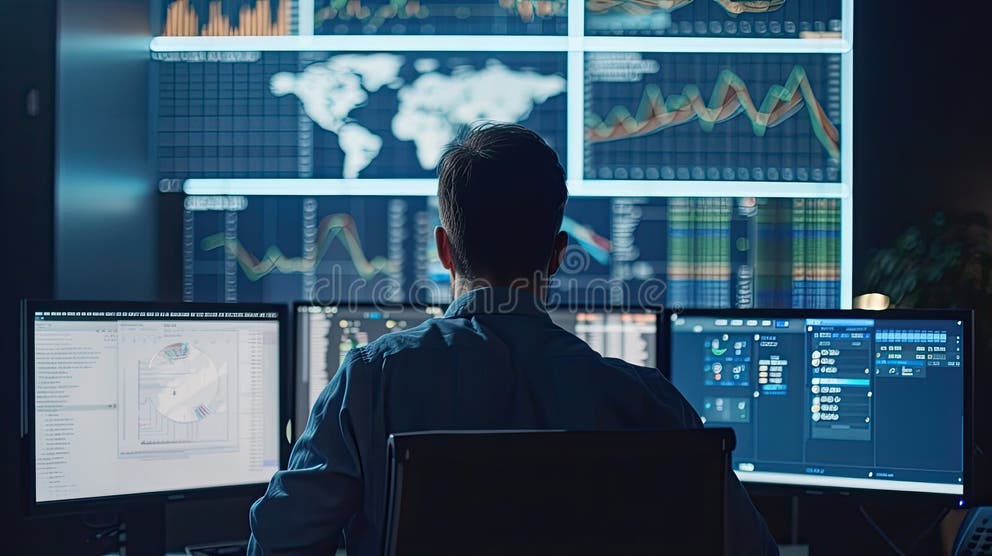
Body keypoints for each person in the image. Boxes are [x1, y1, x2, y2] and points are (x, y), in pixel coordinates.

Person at [247, 123, 778, 555]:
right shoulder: (650, 403)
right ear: (556, 254)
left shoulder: (371, 381)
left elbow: (280, 545)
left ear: (444, 251)